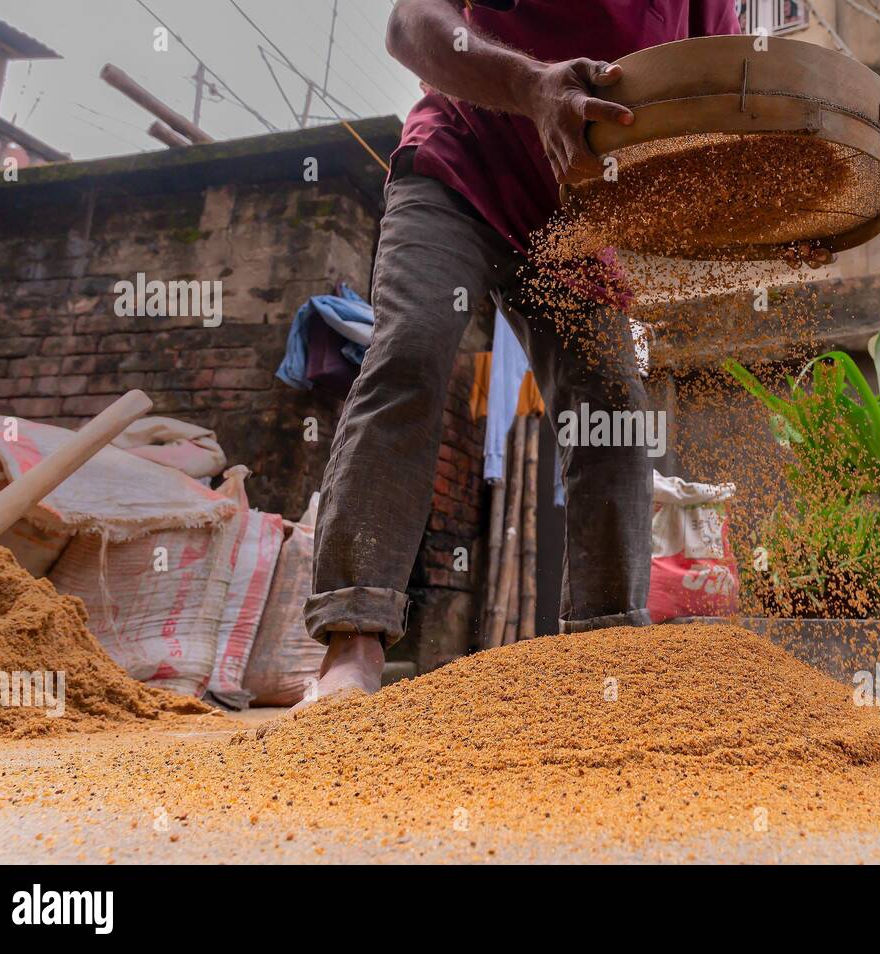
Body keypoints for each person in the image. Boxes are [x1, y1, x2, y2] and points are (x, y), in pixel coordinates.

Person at [298, 0, 742, 704]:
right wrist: (534, 86)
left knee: (617, 418)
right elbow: (410, 24)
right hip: (461, 165)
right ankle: (353, 641)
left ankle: (607, 659)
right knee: (413, 349)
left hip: (578, 217)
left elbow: (718, 92)